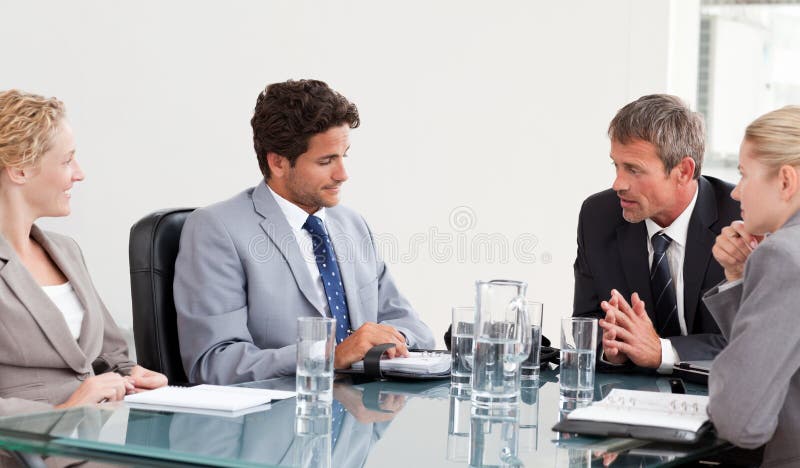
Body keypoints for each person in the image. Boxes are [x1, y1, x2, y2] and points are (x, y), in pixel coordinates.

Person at [174, 79, 435, 384]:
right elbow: (213, 362)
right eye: (326, 161)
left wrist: (387, 342)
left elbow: (413, 328)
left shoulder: (351, 224)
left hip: (359, 418)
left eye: (344, 156)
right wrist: (328, 356)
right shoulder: (217, 229)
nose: (343, 174)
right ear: (278, 162)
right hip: (277, 421)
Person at [0, 90, 167, 416]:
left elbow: (108, 353)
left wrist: (129, 373)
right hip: (23, 450)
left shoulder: (65, 251)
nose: (79, 173)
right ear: (19, 170)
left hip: (90, 437)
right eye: (66, 160)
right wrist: (65, 408)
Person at [573, 94, 740, 373]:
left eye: (634, 170)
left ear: (684, 171)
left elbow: (745, 341)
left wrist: (662, 352)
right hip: (628, 398)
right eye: (616, 165)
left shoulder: (740, 219)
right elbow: (586, 324)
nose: (618, 184)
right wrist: (613, 350)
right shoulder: (598, 216)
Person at [705, 106, 800, 466]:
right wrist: (740, 277)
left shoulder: (783, 254)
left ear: (786, 181)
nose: (736, 193)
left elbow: (741, 421)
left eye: (744, 175)